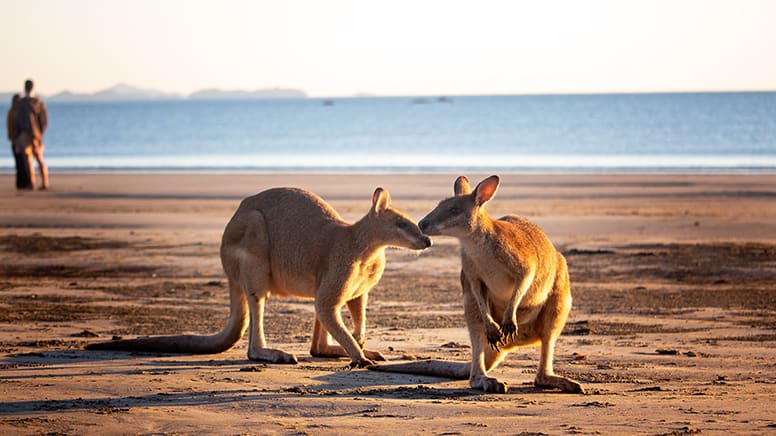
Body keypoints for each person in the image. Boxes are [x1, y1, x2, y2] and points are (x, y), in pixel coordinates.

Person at [13, 79, 49, 190]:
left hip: (25, 133)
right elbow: (44, 120)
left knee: (29, 158)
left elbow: (18, 120)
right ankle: (44, 182)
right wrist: (40, 132)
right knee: (39, 158)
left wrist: (17, 134)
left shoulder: (22, 103)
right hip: (36, 134)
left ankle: (32, 182)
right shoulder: (38, 102)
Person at [6, 94, 33, 189]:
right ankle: (21, 183)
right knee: (20, 162)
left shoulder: (18, 112)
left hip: (22, 140)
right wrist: (14, 138)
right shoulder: (13, 112)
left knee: (24, 162)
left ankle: (26, 182)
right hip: (16, 140)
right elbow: (11, 126)